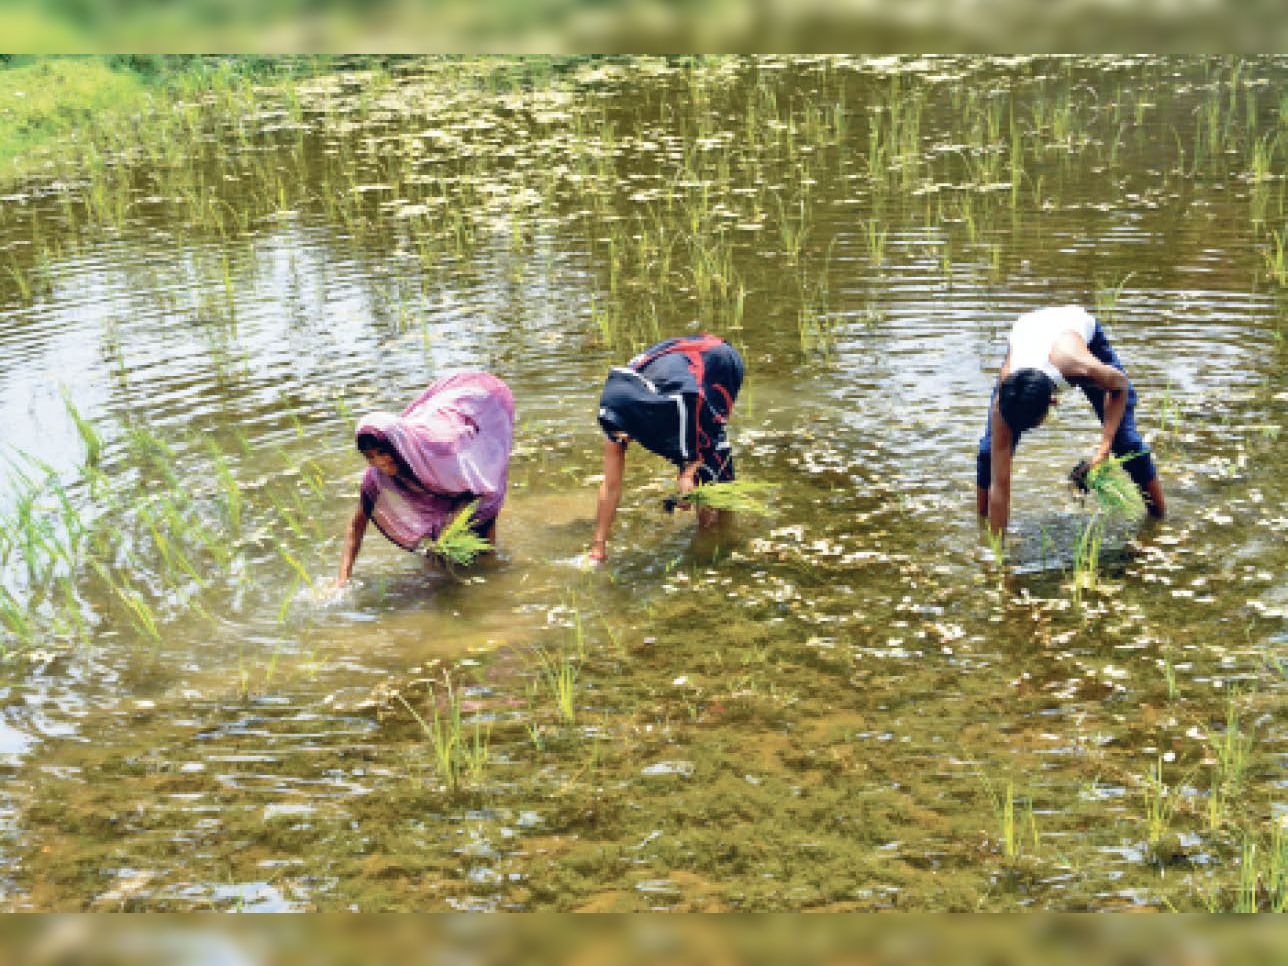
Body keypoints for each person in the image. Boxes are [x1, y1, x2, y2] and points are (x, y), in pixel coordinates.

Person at [977, 304, 1166, 536]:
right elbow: (1000, 484)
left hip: (1072, 333)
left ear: (1052, 402)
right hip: (1029, 329)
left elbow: (1120, 386)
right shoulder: (1007, 394)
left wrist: (1103, 450)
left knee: (1126, 443)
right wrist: (996, 550)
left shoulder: (1080, 366)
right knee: (989, 453)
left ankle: (1159, 518)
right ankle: (983, 525)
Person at [335, 372, 515, 586]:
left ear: (397, 445)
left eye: (382, 452)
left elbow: (482, 491)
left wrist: (454, 523)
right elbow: (356, 525)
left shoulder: (442, 451)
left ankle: (493, 575)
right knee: (438, 553)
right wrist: (343, 579)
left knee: (483, 536)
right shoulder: (375, 476)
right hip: (443, 470)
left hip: (472, 436)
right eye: (370, 456)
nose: (379, 461)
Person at [590, 334, 744, 562]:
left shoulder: (678, 402)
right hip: (676, 373)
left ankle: (724, 539)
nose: (623, 439)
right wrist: (598, 545)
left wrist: (687, 473)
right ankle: (709, 534)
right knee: (692, 466)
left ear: (641, 421)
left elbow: (706, 435)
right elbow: (610, 485)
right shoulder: (617, 412)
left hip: (717, 363)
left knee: (713, 471)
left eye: (627, 433)